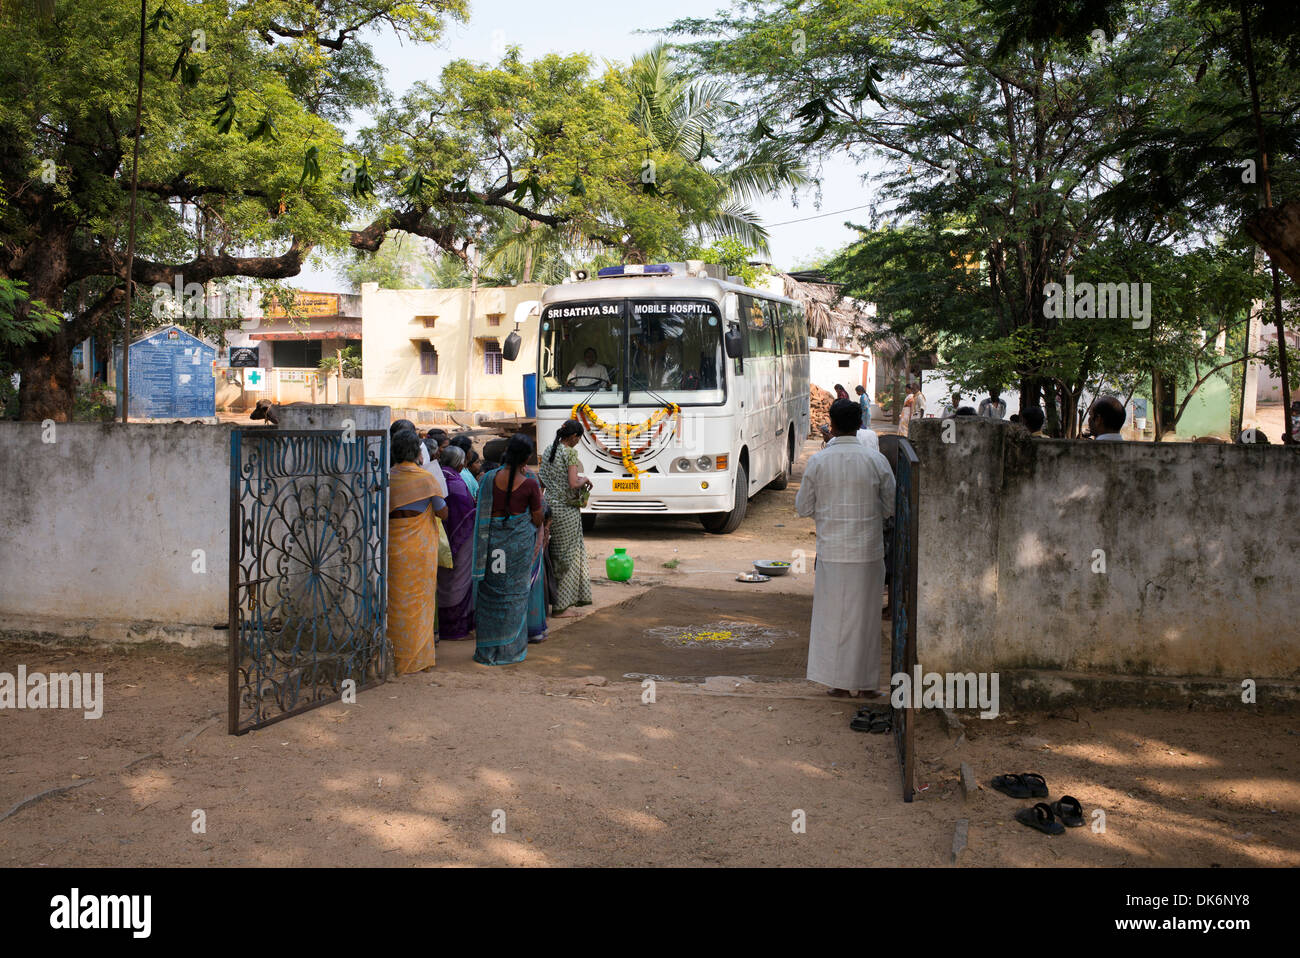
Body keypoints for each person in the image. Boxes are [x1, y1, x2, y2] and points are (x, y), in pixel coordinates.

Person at [796, 399, 896, 698]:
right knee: (866, 619)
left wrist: (826, 513)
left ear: (833, 425)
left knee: (832, 617)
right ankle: (866, 686)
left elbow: (803, 507)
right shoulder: (876, 460)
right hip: (868, 552)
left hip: (833, 552)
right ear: (859, 424)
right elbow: (891, 506)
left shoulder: (818, 461)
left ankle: (838, 683)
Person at [471, 434, 547, 664]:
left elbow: (480, 504)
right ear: (525, 457)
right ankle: (508, 650)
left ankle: (487, 649)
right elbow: (537, 517)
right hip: (517, 548)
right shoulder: (531, 483)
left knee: (490, 594)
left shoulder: (488, 478)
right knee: (514, 596)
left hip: (492, 546)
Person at [387, 431, 448, 674]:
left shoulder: (387, 477)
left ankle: (396, 657)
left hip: (392, 547)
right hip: (419, 551)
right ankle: (416, 658)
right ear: (417, 452)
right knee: (420, 601)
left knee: (395, 601)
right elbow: (443, 513)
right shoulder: (426, 479)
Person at [537, 419, 594, 618]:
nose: (579, 441)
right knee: (567, 556)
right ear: (573, 437)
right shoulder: (570, 453)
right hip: (566, 510)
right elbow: (572, 483)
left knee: (553, 553)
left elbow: (543, 481)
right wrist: (584, 479)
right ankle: (561, 606)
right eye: (579, 438)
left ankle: (552, 599)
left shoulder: (548, 450)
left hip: (549, 505)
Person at [435, 445, 478, 641]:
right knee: (458, 581)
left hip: (439, 538)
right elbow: (467, 513)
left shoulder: (436, 475)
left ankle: (440, 627)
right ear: (460, 465)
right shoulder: (456, 483)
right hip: (460, 541)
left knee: (441, 580)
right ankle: (456, 629)